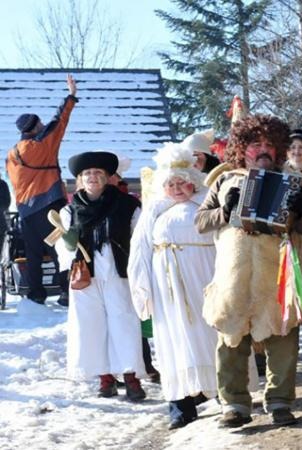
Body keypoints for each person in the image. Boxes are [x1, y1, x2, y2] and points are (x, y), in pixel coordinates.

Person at [195, 114, 302, 428]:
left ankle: (279, 402)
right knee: (231, 341)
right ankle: (234, 404)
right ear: (242, 148)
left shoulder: (295, 180)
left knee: (283, 339)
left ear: (277, 149)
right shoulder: (223, 180)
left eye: (269, 144)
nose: (262, 150)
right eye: (255, 144)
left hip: (276, 275)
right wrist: (224, 211)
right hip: (232, 276)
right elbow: (200, 222)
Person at [127, 142, 218, 429]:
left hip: (203, 277)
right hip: (166, 286)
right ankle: (180, 405)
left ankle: (224, 391)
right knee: (174, 341)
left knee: (209, 334)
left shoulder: (207, 204)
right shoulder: (153, 210)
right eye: (171, 184)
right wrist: (141, 287)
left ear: (193, 182)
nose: (178, 189)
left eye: (183, 183)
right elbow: (139, 249)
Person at [56, 151, 147, 401]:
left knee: (124, 322)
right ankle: (105, 378)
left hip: (118, 272)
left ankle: (131, 377)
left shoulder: (128, 205)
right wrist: (69, 244)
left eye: (98, 173)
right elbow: (61, 248)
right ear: (79, 180)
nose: (92, 177)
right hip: (86, 276)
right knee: (91, 326)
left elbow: (139, 239)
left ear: (108, 177)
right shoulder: (69, 211)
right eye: (87, 174)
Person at [6, 74, 76, 306]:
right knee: (60, 247)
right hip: (50, 205)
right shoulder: (42, 144)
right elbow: (60, 122)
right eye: (40, 123)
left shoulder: (12, 153)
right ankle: (66, 292)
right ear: (34, 127)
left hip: (26, 211)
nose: (44, 124)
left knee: (34, 252)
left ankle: (36, 295)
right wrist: (71, 97)